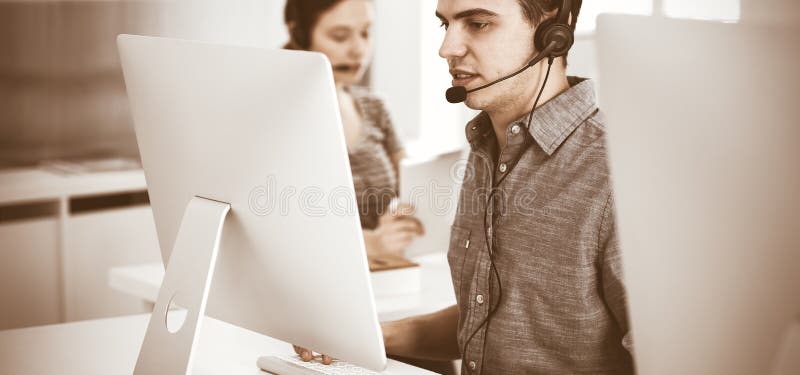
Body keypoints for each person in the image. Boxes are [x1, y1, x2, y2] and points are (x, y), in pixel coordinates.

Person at [298, 0, 634, 373]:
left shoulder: (619, 175)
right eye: (446, 25)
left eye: (478, 23)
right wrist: (364, 336)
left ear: (551, 32)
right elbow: (490, 321)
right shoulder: (488, 149)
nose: (447, 49)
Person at [283, 0, 423, 258]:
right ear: (299, 34)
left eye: (366, 33)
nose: (359, 50)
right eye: (340, 36)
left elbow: (416, 187)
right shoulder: (279, 116)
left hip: (384, 272)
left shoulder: (375, 107)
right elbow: (284, 227)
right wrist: (371, 244)